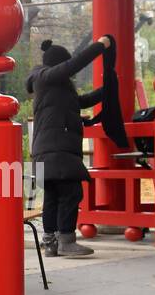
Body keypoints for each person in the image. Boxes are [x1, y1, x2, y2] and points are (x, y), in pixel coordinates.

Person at [26, 34, 114, 258]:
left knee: (54, 196)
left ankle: (51, 243)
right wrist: (100, 46)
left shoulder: (54, 87)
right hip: (56, 149)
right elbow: (74, 63)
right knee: (71, 192)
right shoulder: (45, 77)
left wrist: (107, 90)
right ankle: (67, 240)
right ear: (58, 64)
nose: (70, 73)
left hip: (48, 150)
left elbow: (80, 102)